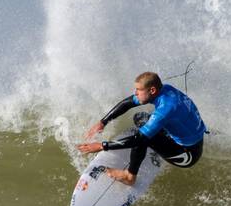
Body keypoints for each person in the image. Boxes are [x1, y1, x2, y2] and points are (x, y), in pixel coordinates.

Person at [78, 71, 208, 184]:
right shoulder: (166, 89)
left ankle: (129, 176)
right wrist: (103, 122)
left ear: (152, 90)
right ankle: (160, 143)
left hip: (187, 155)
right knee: (140, 118)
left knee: (142, 139)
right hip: (193, 138)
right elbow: (129, 102)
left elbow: (138, 139)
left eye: (139, 90)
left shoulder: (165, 109)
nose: (135, 93)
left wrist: (102, 145)